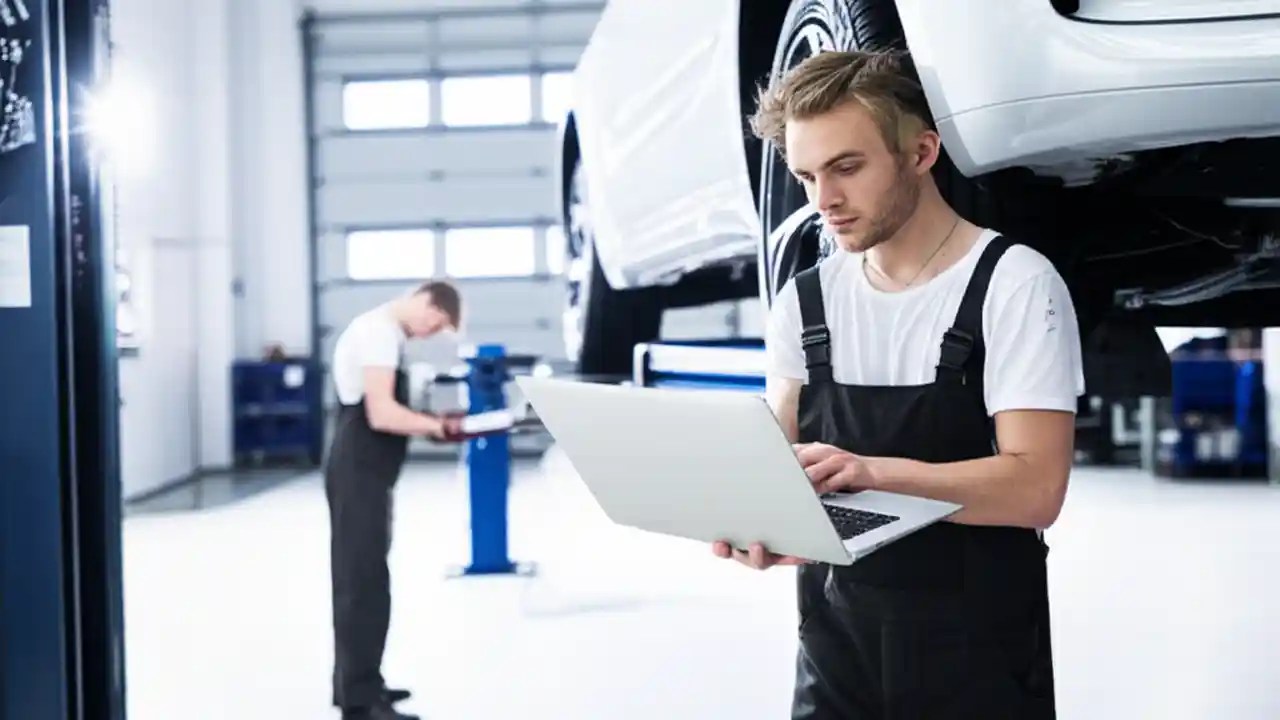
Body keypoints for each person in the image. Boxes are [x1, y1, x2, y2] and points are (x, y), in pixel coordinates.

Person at [712, 50, 1085, 718]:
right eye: (806, 176)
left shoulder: (1014, 284)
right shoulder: (805, 301)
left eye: (847, 168)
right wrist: (752, 524)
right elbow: (776, 467)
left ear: (920, 152)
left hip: (980, 663)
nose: (823, 200)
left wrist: (872, 472)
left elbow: (1036, 489)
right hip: (836, 656)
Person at [325, 280, 463, 720]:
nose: (429, 333)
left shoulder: (387, 335)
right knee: (360, 583)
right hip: (358, 470)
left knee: (366, 578)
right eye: (434, 324)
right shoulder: (379, 333)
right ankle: (361, 703)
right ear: (426, 302)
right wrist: (436, 427)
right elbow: (381, 413)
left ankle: (362, 684)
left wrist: (430, 424)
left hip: (369, 473)